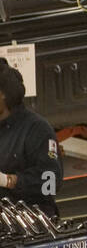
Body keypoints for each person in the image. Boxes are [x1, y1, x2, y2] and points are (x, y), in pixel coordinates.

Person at [0, 59, 61, 216]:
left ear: (3, 95)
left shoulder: (37, 129)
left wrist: (9, 180)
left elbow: (51, 183)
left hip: (32, 222)